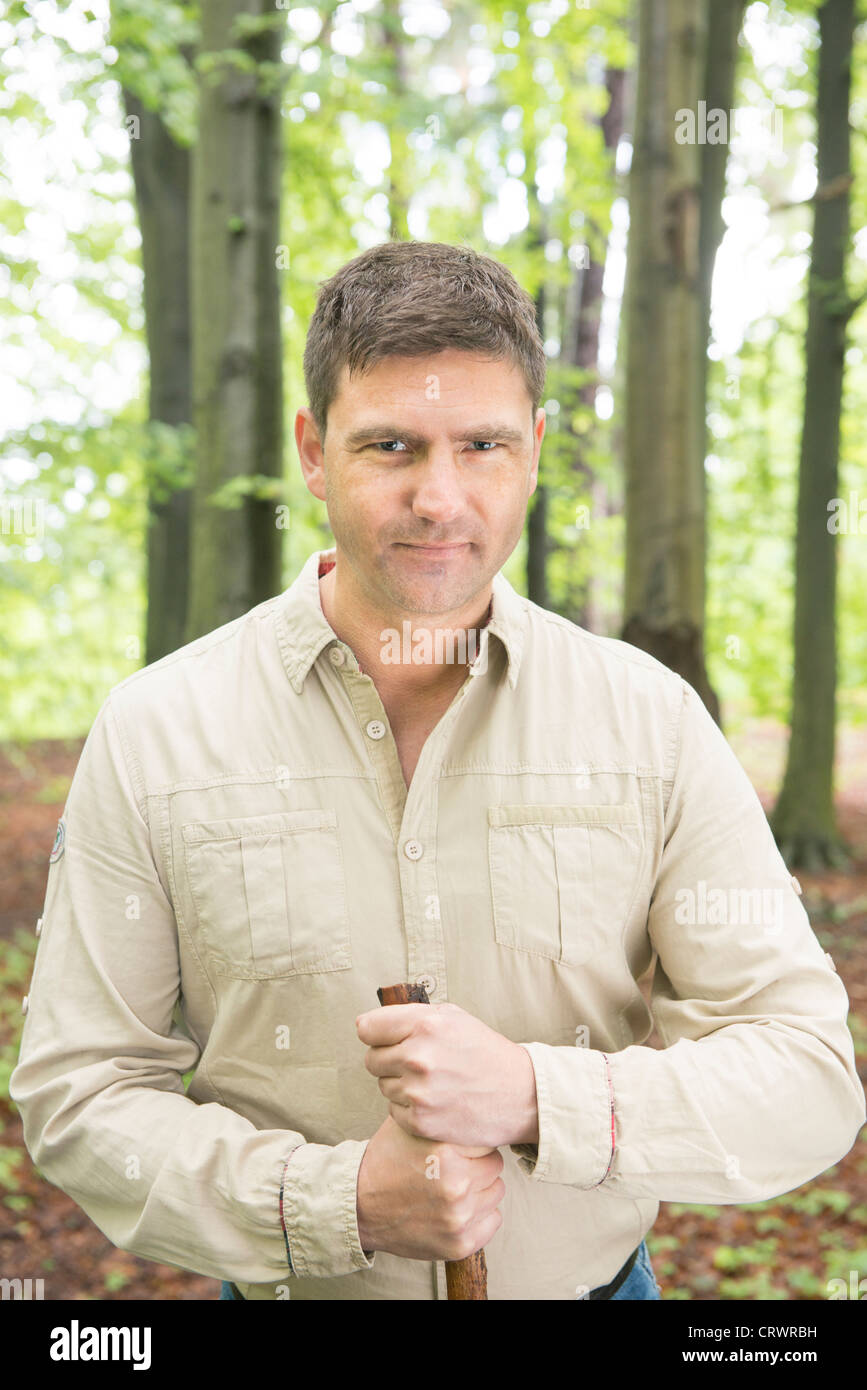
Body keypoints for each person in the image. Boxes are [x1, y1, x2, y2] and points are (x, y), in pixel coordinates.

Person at [11, 241, 865, 1302]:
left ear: (537, 451)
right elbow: (79, 1091)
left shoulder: (652, 724)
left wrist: (538, 1097)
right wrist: (337, 1204)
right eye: (392, 446)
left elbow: (808, 1075)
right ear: (314, 452)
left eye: (484, 445)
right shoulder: (157, 732)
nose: (440, 497)